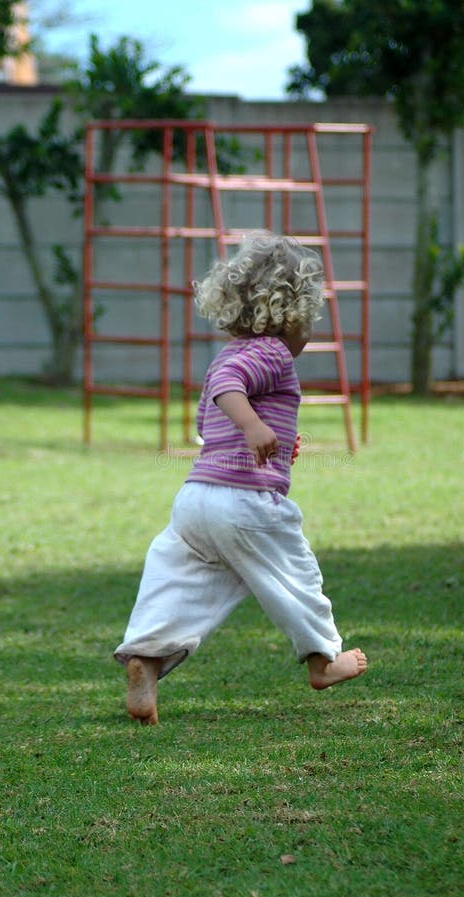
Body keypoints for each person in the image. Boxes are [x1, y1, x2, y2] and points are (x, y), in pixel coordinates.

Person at [114, 232, 367, 724]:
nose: (309, 333)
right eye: (308, 320)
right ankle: (323, 659)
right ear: (286, 316)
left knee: (179, 582)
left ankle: (146, 657)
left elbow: (208, 417)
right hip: (245, 502)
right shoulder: (271, 352)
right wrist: (253, 426)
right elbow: (234, 394)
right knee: (295, 575)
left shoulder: (224, 357)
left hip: (195, 501)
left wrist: (264, 436)